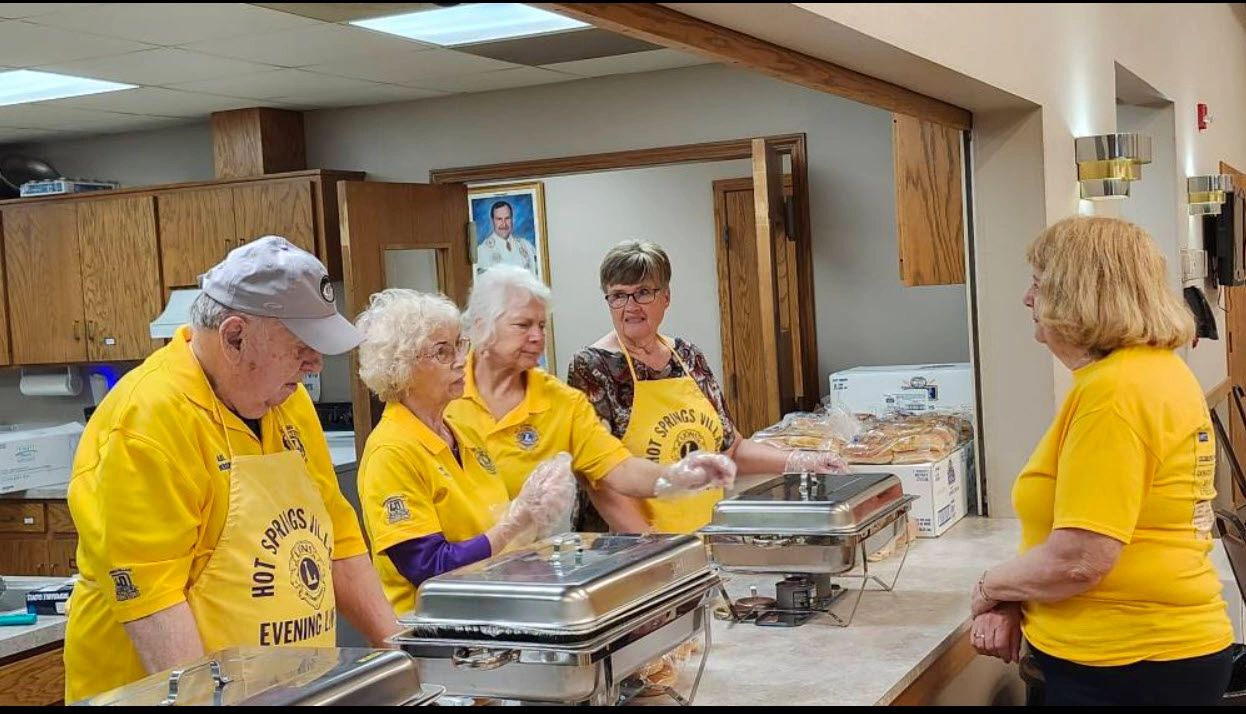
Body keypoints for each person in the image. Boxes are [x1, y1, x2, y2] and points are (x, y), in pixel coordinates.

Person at [63, 237, 400, 701]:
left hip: (282, 690)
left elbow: (337, 537)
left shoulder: (287, 401)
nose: (315, 364)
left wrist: (401, 657)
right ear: (235, 337)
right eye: (301, 347)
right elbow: (154, 604)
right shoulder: (146, 423)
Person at [969, 216, 1234, 706]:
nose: (1027, 299)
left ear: (1078, 295)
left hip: (1128, 663)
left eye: (1038, 284)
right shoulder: (1150, 372)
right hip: (1147, 656)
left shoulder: (1116, 393)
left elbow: (1079, 560)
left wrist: (991, 586)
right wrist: (1016, 594)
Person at [567, 240, 847, 534]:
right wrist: (653, 546)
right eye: (618, 296)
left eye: (643, 292)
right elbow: (597, 477)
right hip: (631, 546)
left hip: (699, 534)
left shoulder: (687, 356)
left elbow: (731, 448)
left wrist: (801, 461)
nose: (630, 306)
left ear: (666, 297)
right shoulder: (593, 367)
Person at [445, 266, 737, 526]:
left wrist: (677, 475)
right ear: (481, 325)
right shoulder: (441, 391)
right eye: (523, 325)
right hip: (442, 563)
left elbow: (621, 469)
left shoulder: (562, 403)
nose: (537, 337)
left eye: (542, 326)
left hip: (522, 562)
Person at [353, 288, 575, 615]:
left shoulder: (462, 430)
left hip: (493, 610)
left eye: (459, 345)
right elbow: (430, 567)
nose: (461, 361)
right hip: (437, 627)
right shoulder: (390, 452)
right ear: (401, 366)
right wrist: (515, 522)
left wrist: (537, 507)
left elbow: (489, 524)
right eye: (443, 352)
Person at [477, 200, 538, 275]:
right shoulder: (482, 251)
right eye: (499, 219)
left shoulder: (526, 246)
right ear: (492, 221)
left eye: (507, 218)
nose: (504, 224)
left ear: (512, 219)